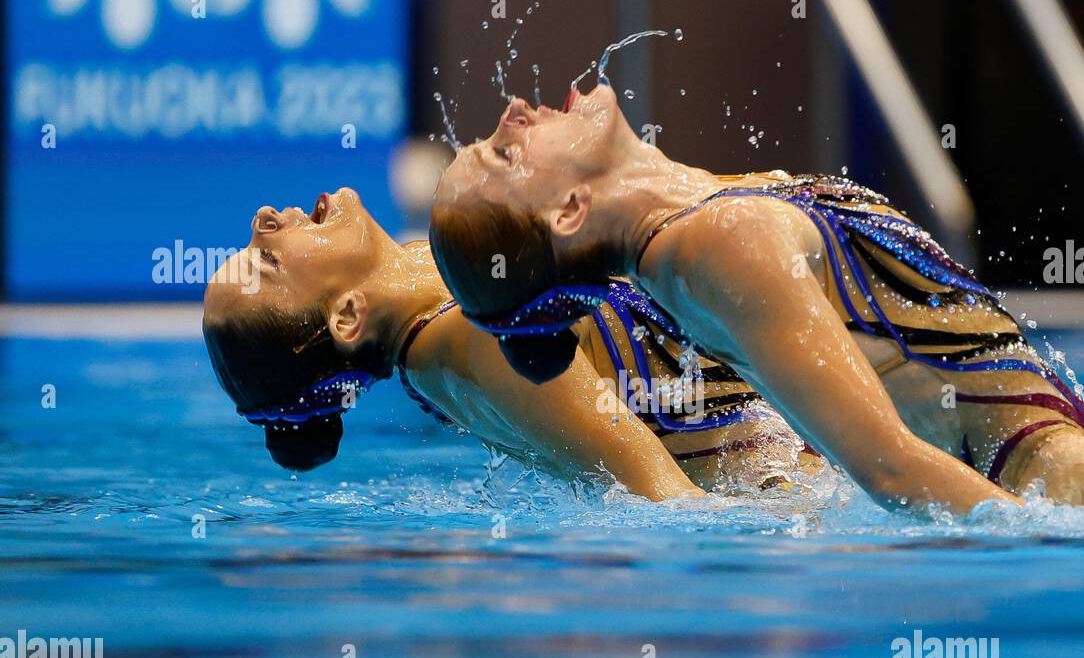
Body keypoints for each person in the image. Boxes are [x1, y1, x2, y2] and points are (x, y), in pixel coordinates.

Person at [428, 86, 1084, 510]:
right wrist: (1051, 556)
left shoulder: (700, 220)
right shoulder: (715, 244)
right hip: (1058, 485)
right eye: (504, 153)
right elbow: (889, 469)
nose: (515, 110)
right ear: (568, 213)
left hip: (1058, 480)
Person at [202, 187, 819, 501]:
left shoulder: (443, 302)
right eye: (267, 262)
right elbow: (664, 498)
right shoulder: (470, 343)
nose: (263, 219)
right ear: (345, 316)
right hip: (812, 478)